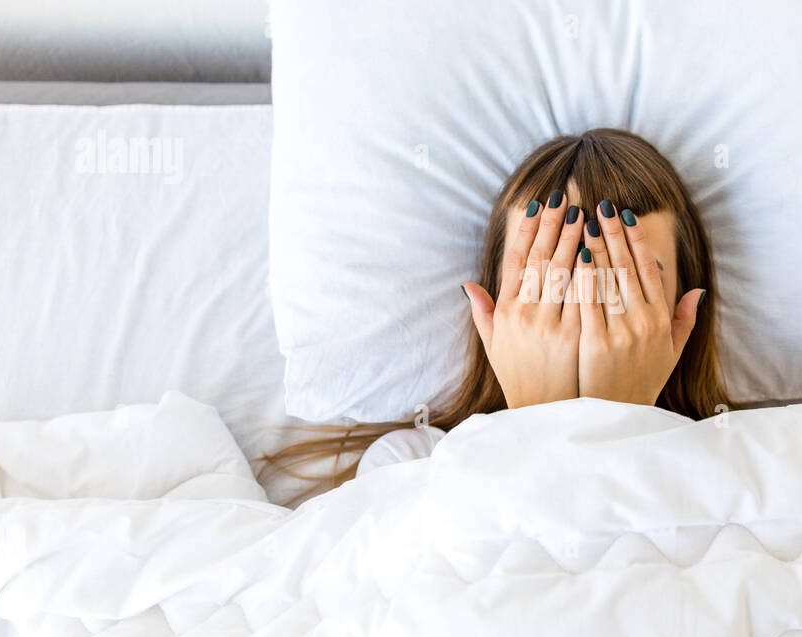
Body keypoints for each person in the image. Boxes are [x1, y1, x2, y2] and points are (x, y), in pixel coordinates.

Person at [258, 128, 726, 500]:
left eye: (623, 279)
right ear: (493, 306)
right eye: (546, 280)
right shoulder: (411, 464)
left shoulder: (748, 456)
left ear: (687, 306)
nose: (583, 302)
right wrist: (539, 420)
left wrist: (613, 423)